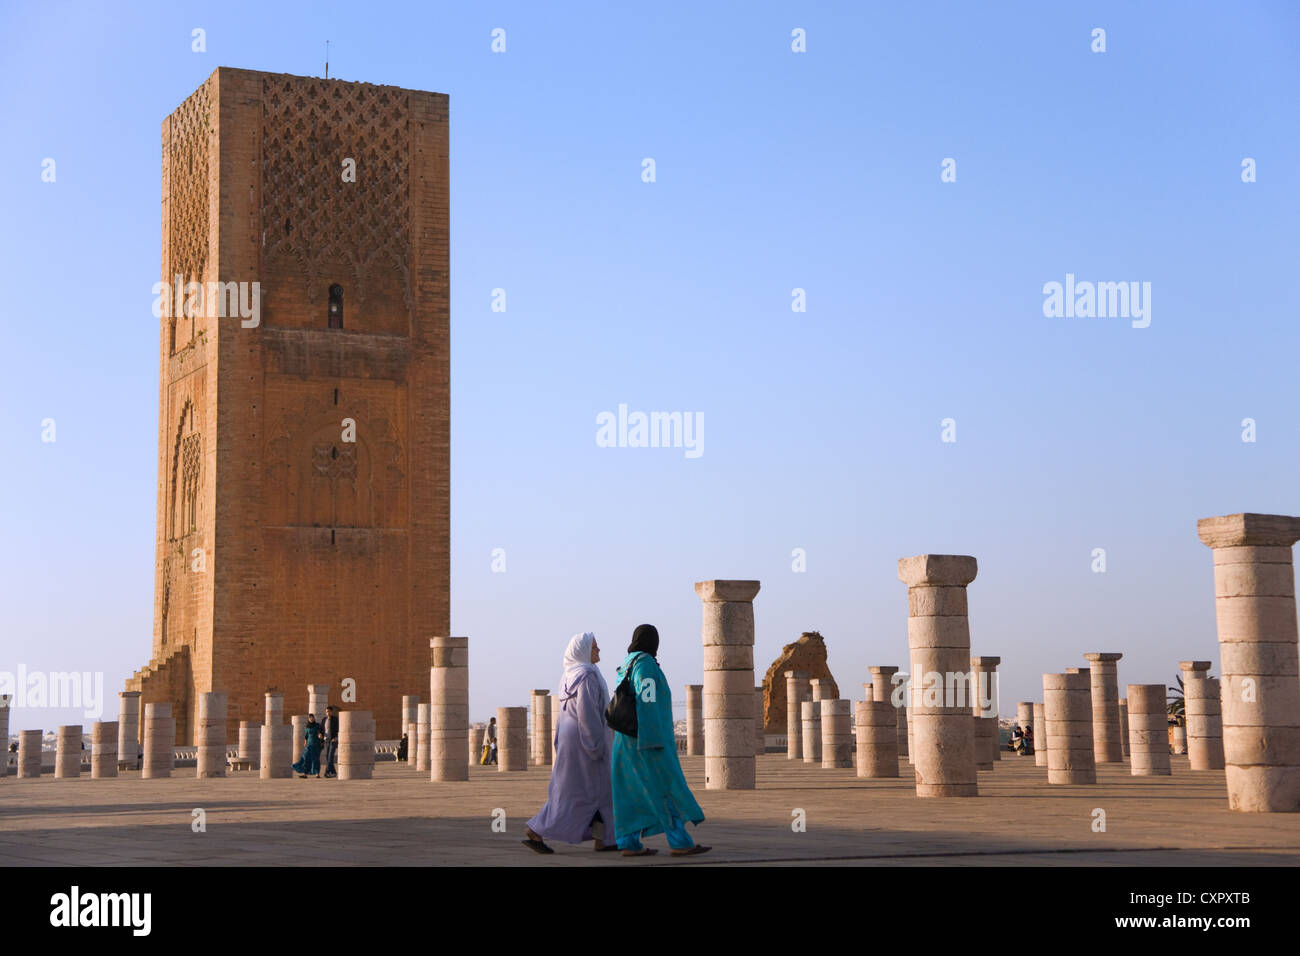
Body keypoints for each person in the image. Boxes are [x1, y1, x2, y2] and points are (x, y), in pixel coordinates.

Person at [610, 624, 709, 857]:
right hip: (645, 741)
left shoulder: (626, 663)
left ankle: (629, 843)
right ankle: (680, 842)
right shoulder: (644, 664)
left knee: (630, 793)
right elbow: (647, 701)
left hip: (624, 741)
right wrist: (652, 738)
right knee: (664, 788)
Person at [522, 633, 618, 854]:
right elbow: (588, 713)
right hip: (586, 745)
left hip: (570, 743)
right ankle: (537, 829)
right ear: (582, 650)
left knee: (587, 792)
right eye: (594, 647)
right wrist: (595, 745)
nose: (599, 650)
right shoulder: (587, 676)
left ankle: (604, 839)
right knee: (583, 793)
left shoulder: (568, 675)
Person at [322, 706, 340, 777]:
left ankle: (327, 772)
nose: (328, 713)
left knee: (330, 756)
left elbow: (339, 729)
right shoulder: (324, 720)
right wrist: (320, 734)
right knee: (327, 756)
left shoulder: (335, 719)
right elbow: (321, 729)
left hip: (333, 740)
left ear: (332, 712)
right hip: (326, 740)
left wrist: (336, 737)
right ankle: (334, 772)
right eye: (326, 711)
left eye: (329, 711)